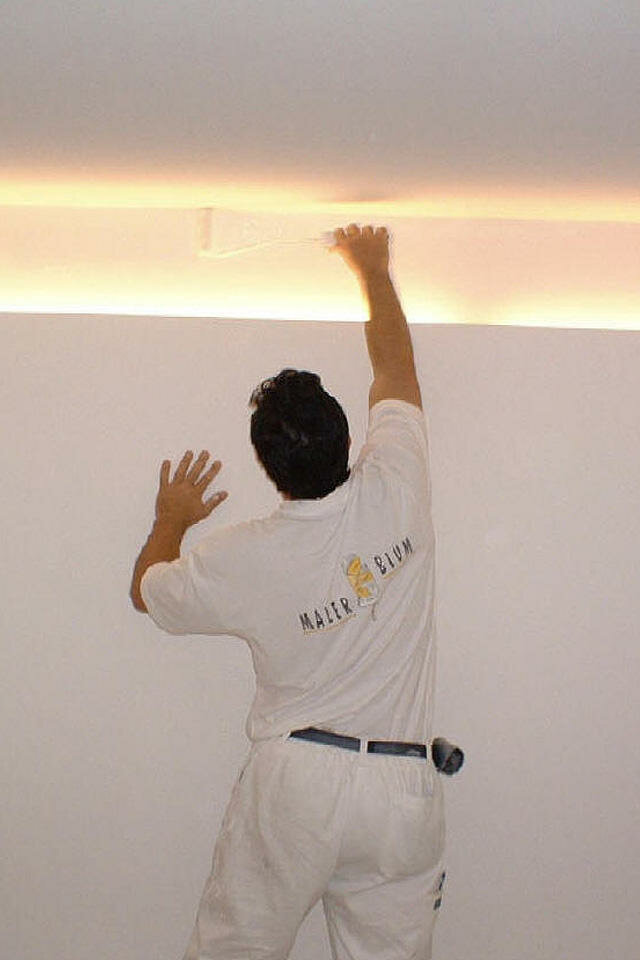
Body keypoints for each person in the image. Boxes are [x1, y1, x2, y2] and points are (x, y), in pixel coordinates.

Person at [130, 223, 447, 960]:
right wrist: (371, 266)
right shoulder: (398, 481)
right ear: (349, 439)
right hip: (402, 785)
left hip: (299, 784)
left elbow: (148, 593)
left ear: (269, 469)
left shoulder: (248, 556)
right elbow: (395, 367)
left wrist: (171, 518)